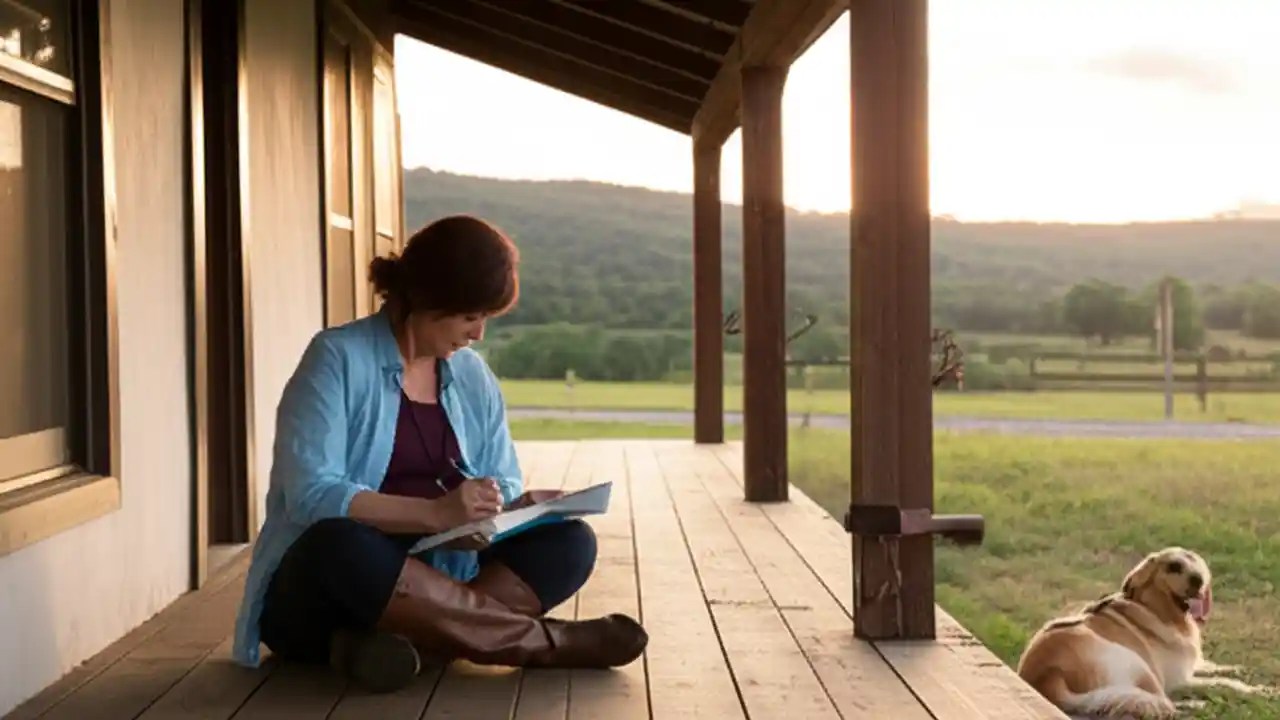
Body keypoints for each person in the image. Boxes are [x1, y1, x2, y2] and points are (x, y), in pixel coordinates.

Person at [230, 215, 647, 693]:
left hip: (440, 571)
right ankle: (540, 643)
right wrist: (434, 515)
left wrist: (508, 506)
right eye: (472, 317)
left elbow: (501, 475)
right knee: (339, 544)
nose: (479, 335)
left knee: (570, 542)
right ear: (430, 300)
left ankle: (392, 649)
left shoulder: (472, 375)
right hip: (328, 590)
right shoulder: (336, 358)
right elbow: (309, 493)